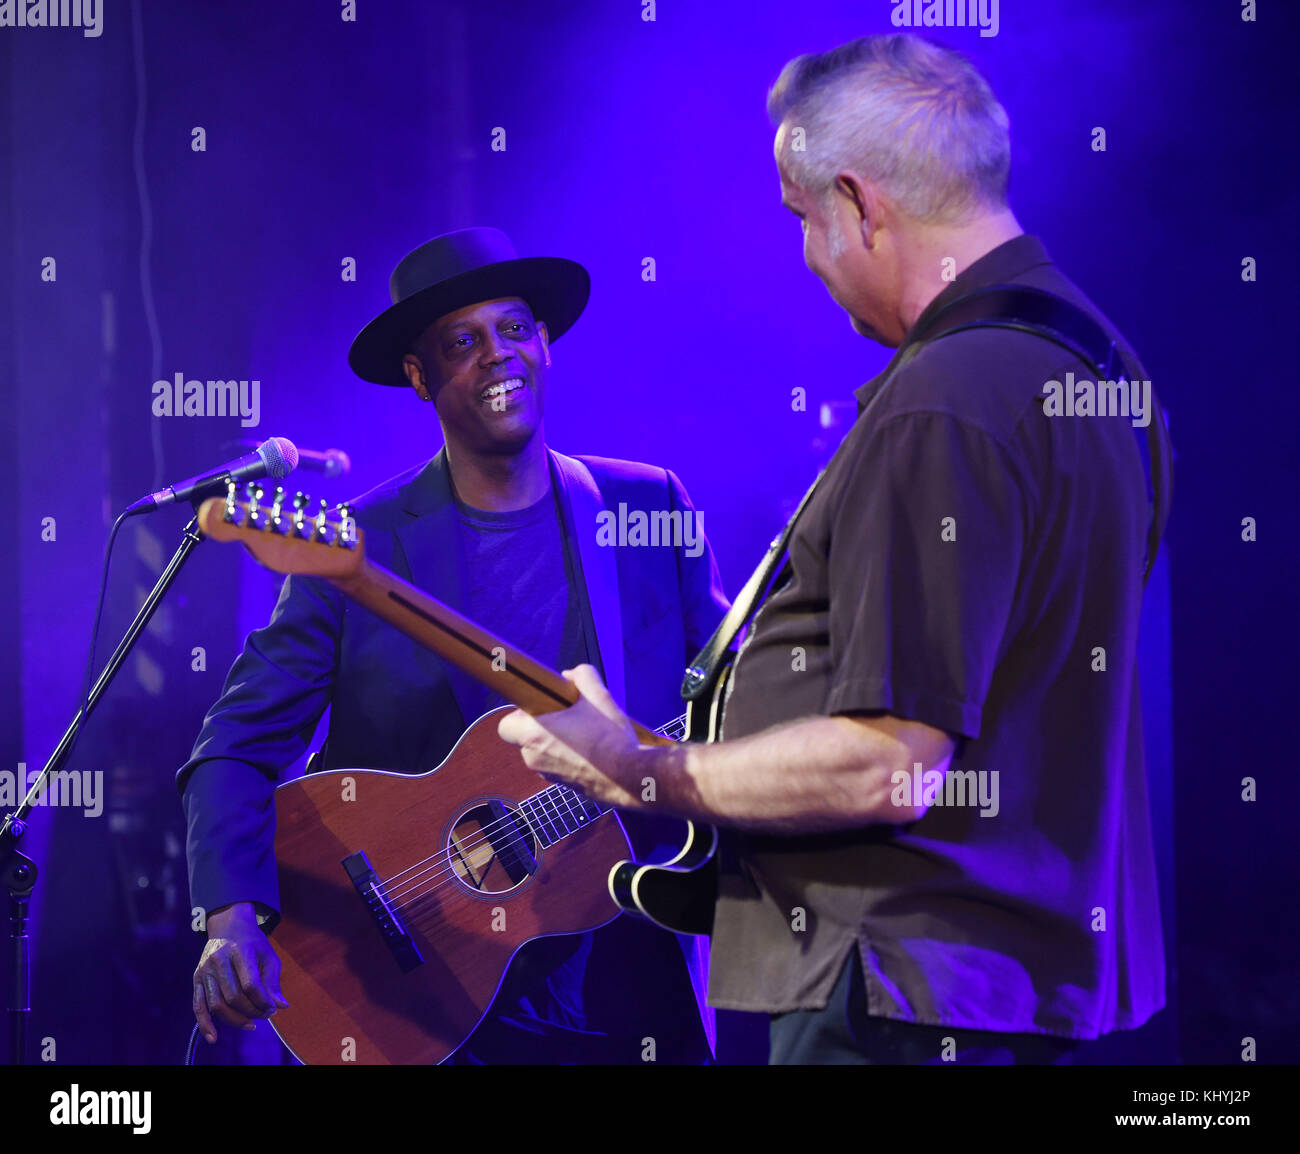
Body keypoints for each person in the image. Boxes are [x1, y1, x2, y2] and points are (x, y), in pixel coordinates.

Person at [498, 34, 1172, 1065]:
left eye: (803, 219)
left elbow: (884, 764)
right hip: (1020, 987)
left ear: (859, 203)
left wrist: (639, 768)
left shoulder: (941, 401)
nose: (809, 257)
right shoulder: (1106, 372)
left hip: (894, 988)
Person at [179, 227, 726, 1064]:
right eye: (461, 343)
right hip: (428, 999)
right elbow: (234, 748)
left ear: (545, 343)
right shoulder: (357, 545)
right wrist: (230, 915)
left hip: (624, 983)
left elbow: (734, 690)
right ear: (420, 375)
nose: (497, 356)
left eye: (514, 329)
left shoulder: (645, 506)